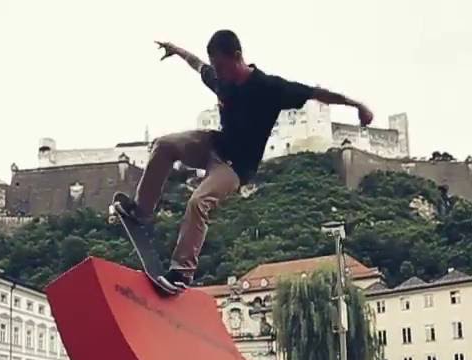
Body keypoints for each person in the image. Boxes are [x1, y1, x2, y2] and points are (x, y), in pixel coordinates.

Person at [117, 30, 374, 292]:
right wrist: (176, 50)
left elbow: (316, 93)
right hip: (213, 144)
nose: (218, 73)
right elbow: (197, 65)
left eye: (222, 67)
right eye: (215, 67)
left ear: (237, 57)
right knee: (164, 145)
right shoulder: (220, 79)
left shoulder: (270, 88)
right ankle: (142, 212)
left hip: (235, 168)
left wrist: (357, 105)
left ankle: (181, 273)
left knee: (198, 202)